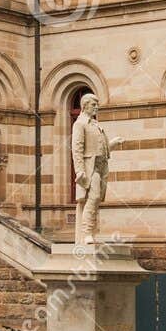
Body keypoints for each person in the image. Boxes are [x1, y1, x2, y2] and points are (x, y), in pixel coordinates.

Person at [70, 93, 109, 246]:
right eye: (94, 104)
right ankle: (86, 232)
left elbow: (102, 148)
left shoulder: (96, 124)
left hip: (100, 167)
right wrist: (79, 170)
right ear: (85, 105)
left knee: (96, 199)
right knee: (93, 197)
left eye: (97, 105)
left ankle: (91, 232)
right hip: (89, 168)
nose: (96, 107)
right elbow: (77, 148)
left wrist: (113, 143)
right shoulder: (80, 124)